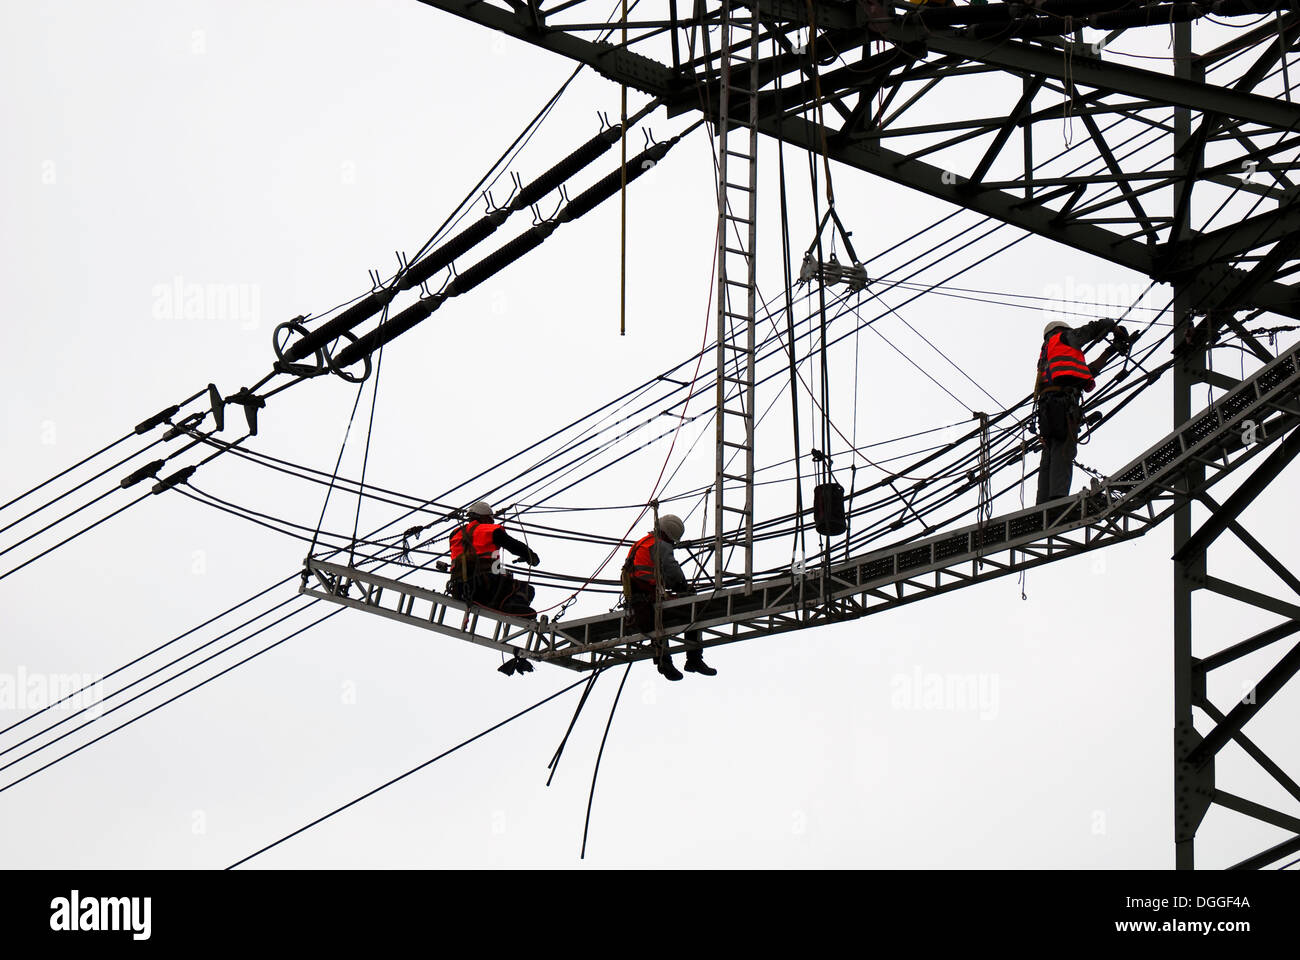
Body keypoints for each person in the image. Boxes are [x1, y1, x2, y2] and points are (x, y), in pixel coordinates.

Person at [622, 513, 716, 681]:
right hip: (649, 597)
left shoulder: (641, 543)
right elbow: (671, 570)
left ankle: (664, 662)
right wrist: (683, 587)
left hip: (638, 600)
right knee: (692, 608)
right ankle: (693, 659)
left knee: (658, 625)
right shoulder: (661, 545)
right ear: (668, 535)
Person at [1034, 317, 1118, 504]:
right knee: (1064, 449)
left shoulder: (1046, 356)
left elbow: (1084, 373)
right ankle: (1058, 498)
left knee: (1049, 452)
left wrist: (1109, 352)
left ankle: (1042, 502)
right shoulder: (1064, 338)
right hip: (1063, 405)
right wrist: (1112, 326)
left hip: (1047, 409)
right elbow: (1091, 330)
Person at [446, 501, 540, 617]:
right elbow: (513, 545)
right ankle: (511, 606)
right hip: (484, 586)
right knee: (526, 589)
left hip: (458, 589)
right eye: (491, 520)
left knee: (501, 577)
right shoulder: (491, 530)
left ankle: (498, 603)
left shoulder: (454, 534)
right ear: (485, 518)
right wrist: (531, 556)